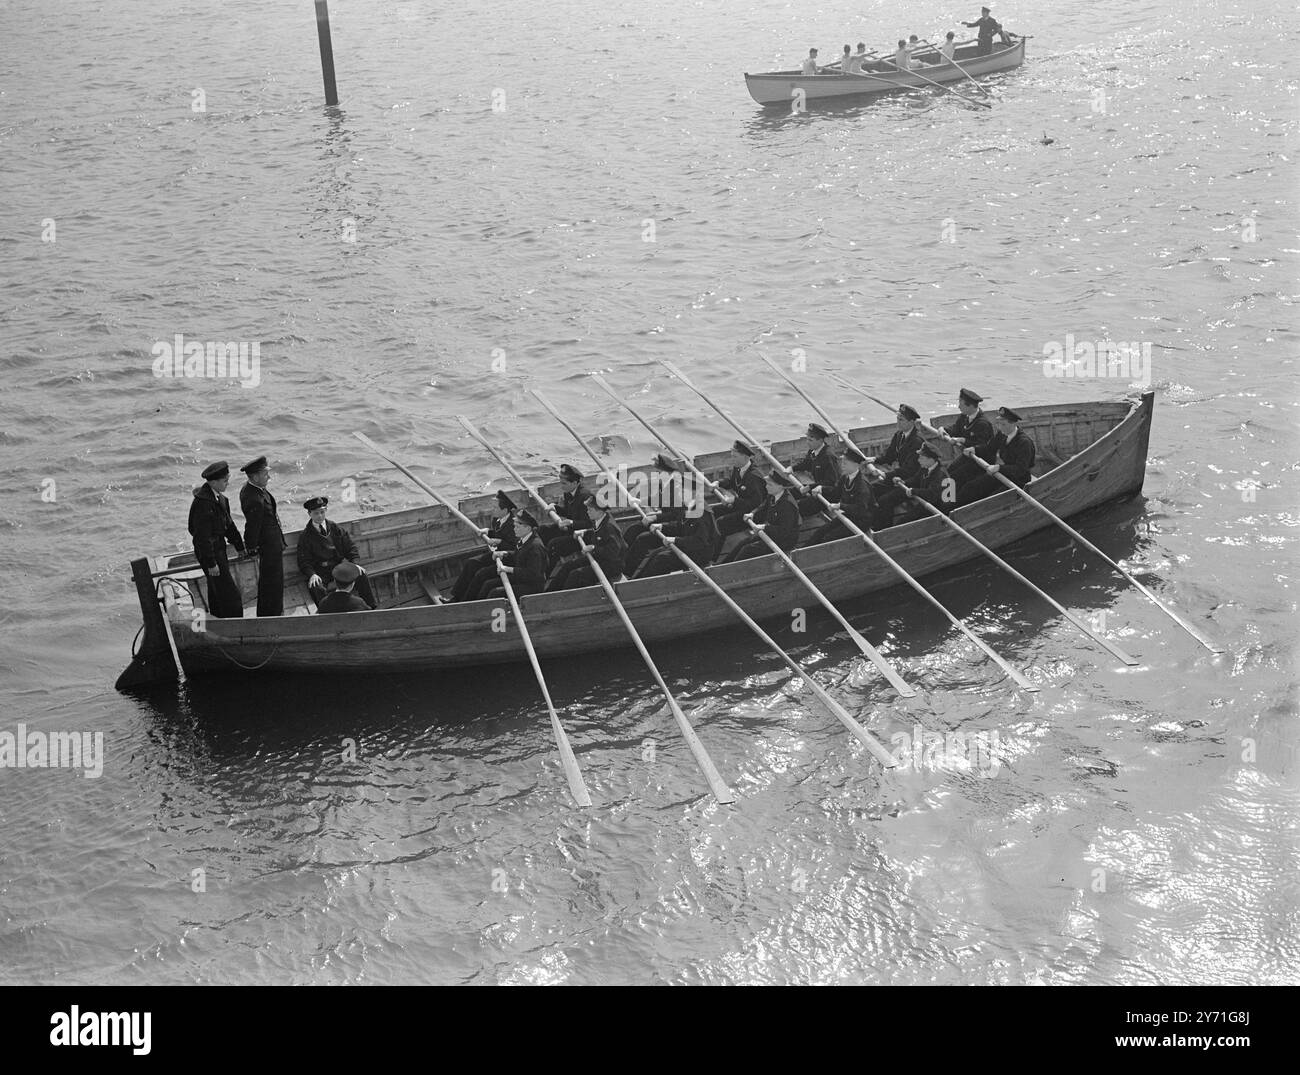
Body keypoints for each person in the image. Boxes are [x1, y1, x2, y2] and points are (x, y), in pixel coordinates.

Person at [296, 495, 377, 609]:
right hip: (321, 571)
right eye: (316, 513)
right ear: (309, 514)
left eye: (322, 512)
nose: (320, 516)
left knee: (361, 574)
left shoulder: (335, 527)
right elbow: (303, 560)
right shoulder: (305, 536)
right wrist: (312, 574)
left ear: (326, 510)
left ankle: (371, 608)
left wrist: (355, 564)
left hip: (339, 567)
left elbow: (351, 547)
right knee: (316, 587)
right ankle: (328, 616)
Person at [187, 461, 246, 618]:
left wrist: (240, 547)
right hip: (209, 553)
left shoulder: (220, 499)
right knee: (230, 595)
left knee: (216, 590)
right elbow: (201, 537)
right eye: (225, 481)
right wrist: (211, 563)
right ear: (213, 482)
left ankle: (219, 619)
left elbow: (229, 526)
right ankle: (237, 625)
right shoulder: (203, 504)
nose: (228, 483)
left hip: (219, 549)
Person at [546, 494, 628, 591]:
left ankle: (559, 599)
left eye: (590, 510)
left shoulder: (609, 527)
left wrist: (593, 548)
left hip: (612, 566)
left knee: (576, 575)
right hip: (601, 559)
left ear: (600, 511)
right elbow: (596, 532)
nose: (587, 512)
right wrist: (584, 532)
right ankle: (548, 593)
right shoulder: (599, 519)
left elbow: (613, 553)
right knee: (568, 566)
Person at [957, 407, 1037, 504]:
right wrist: (975, 449)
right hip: (1003, 475)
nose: (1000, 427)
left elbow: (1020, 469)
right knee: (970, 487)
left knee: (992, 500)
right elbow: (990, 448)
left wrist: (999, 468)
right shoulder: (1002, 434)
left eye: (1003, 424)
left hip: (1019, 481)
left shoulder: (1024, 443)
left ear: (1013, 424)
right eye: (999, 424)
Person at [238, 455, 285, 617]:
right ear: (256, 476)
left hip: (272, 543)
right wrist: (250, 547)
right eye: (265, 474)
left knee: (273, 581)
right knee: (272, 582)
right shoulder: (254, 498)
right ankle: (272, 615)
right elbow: (252, 526)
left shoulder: (254, 489)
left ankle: (271, 612)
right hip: (268, 546)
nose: (269, 477)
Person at [450, 490, 518, 602]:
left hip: (507, 559)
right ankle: (456, 597)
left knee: (481, 575)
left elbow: (515, 548)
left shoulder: (513, 524)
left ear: (505, 510)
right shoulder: (498, 519)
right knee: (471, 563)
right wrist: (488, 532)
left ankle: (466, 601)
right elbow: (498, 533)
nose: (493, 510)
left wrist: (500, 542)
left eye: (495, 508)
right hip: (496, 555)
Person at [621, 454, 684, 574]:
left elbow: (677, 515)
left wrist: (655, 517)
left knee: (643, 540)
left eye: (657, 471)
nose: (655, 474)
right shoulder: (664, 482)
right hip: (665, 518)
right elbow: (658, 499)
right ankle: (619, 563)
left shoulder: (677, 487)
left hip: (676, 527)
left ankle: (627, 572)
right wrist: (640, 501)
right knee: (633, 529)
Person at [723, 470, 801, 563]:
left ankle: (728, 572)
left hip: (784, 541)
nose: (766, 487)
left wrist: (764, 527)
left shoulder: (787, 504)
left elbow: (784, 531)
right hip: (772, 534)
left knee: (747, 550)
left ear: (780, 486)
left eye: (770, 485)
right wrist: (752, 514)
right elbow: (763, 506)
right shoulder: (773, 495)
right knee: (742, 543)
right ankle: (719, 568)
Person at [866, 405, 925, 528]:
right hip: (898, 477)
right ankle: (872, 523)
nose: (898, 422)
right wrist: (874, 459)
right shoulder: (899, 435)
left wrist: (885, 475)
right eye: (897, 418)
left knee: (885, 500)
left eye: (901, 420)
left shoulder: (917, 442)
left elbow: (909, 470)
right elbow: (889, 456)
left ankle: (885, 529)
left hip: (912, 481)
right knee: (871, 489)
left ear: (912, 422)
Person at [631, 498, 718, 578]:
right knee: (657, 553)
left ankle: (642, 588)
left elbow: (700, 541)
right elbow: (680, 526)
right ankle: (635, 581)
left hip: (700, 553)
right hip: (688, 547)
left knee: (662, 559)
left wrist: (675, 540)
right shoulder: (687, 505)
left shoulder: (702, 512)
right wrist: (662, 526)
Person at [811, 446, 876, 542]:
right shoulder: (845, 477)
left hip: (862, 520)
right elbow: (835, 492)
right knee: (820, 532)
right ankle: (795, 556)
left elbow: (860, 509)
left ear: (856, 465)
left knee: (829, 538)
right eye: (842, 462)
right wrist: (822, 488)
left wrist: (840, 506)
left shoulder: (862, 485)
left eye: (845, 463)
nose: (842, 465)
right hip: (849, 514)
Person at [713, 440, 766, 556]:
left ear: (745, 457)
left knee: (722, 523)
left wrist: (734, 500)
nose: (732, 459)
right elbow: (732, 482)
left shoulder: (754, 477)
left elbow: (756, 504)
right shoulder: (738, 467)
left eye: (735, 457)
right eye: (732, 456)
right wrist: (719, 483)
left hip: (753, 514)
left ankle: (712, 557)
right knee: (712, 512)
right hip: (741, 506)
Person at [480, 511, 548, 599]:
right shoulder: (524, 539)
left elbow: (532, 574)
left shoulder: (535, 547)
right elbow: (518, 554)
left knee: (495, 593)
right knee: (488, 584)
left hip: (531, 587)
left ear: (527, 528)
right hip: (521, 579)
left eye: (517, 527)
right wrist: (505, 553)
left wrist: (508, 569)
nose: (514, 529)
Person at [942, 387, 996, 486]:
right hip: (968, 456)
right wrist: (944, 429)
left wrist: (963, 440)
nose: (958, 407)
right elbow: (956, 429)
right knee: (949, 471)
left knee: (955, 477)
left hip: (982, 461)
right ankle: (947, 498)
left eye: (961, 404)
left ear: (970, 406)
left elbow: (984, 447)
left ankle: (952, 500)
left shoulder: (983, 424)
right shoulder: (964, 416)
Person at [893, 443, 956, 522]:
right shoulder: (926, 468)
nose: (918, 460)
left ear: (931, 459)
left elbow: (932, 494)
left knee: (904, 521)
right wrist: (904, 482)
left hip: (940, 510)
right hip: (929, 502)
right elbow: (915, 479)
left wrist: (914, 491)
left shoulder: (940, 474)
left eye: (921, 458)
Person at [537, 464, 588, 561]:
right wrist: (555, 507)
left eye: (564, 484)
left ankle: (547, 573)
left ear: (575, 483)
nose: (561, 486)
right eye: (560, 483)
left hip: (583, 535)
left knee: (554, 545)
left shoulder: (585, 497)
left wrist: (572, 523)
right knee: (541, 530)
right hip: (571, 528)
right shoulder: (568, 492)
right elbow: (569, 512)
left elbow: (590, 523)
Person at [792, 423, 843, 516]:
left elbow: (832, 482)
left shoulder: (828, 456)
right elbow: (806, 464)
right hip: (816, 488)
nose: (807, 442)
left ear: (820, 440)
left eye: (810, 440)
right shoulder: (813, 450)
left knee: (798, 507)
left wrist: (810, 487)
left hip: (829, 495)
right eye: (807, 439)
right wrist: (792, 468)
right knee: (789, 493)